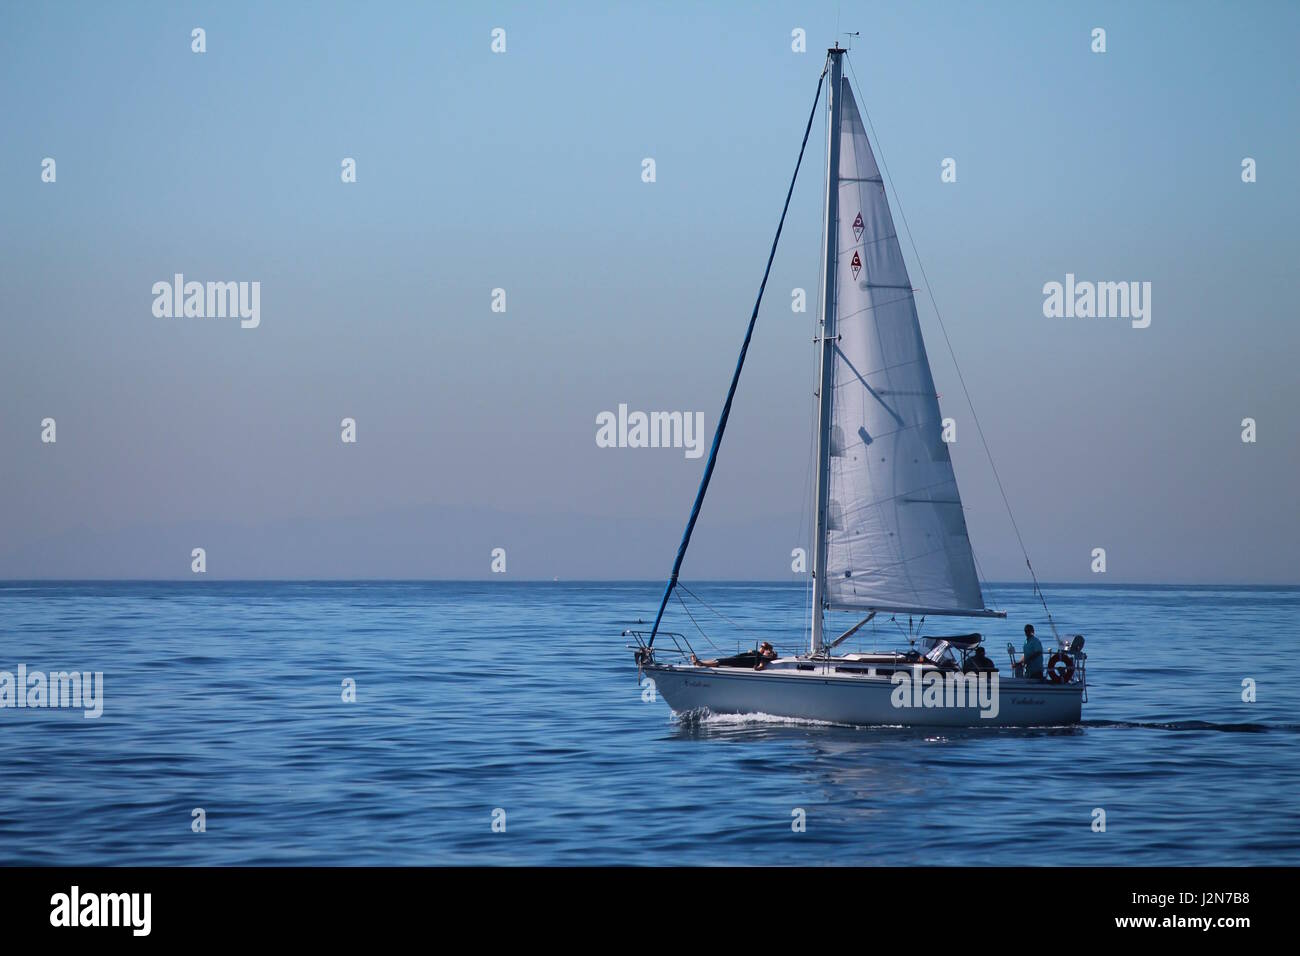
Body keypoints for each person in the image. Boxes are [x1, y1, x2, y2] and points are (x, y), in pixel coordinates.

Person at [692, 641, 778, 670]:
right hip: (740, 657)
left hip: (741, 661)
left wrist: (757, 668)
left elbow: (761, 666)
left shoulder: (762, 657)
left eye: (763, 647)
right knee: (719, 659)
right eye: (761, 646)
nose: (761, 648)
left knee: (720, 662)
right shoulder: (758, 654)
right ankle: (700, 662)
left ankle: (701, 664)